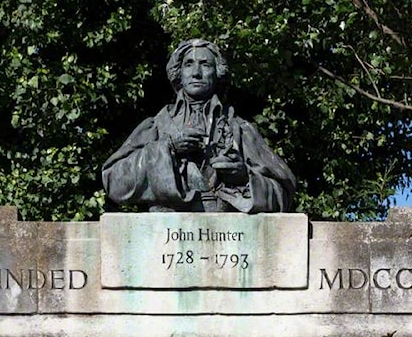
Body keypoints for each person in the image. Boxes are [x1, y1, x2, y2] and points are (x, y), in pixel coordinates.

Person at [102, 39, 296, 213]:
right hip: (169, 231)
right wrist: (167, 148)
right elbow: (114, 183)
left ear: (217, 73)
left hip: (225, 233)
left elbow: (284, 194)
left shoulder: (239, 129)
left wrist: (245, 177)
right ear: (179, 73)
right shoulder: (157, 126)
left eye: (205, 64)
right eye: (189, 64)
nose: (196, 73)